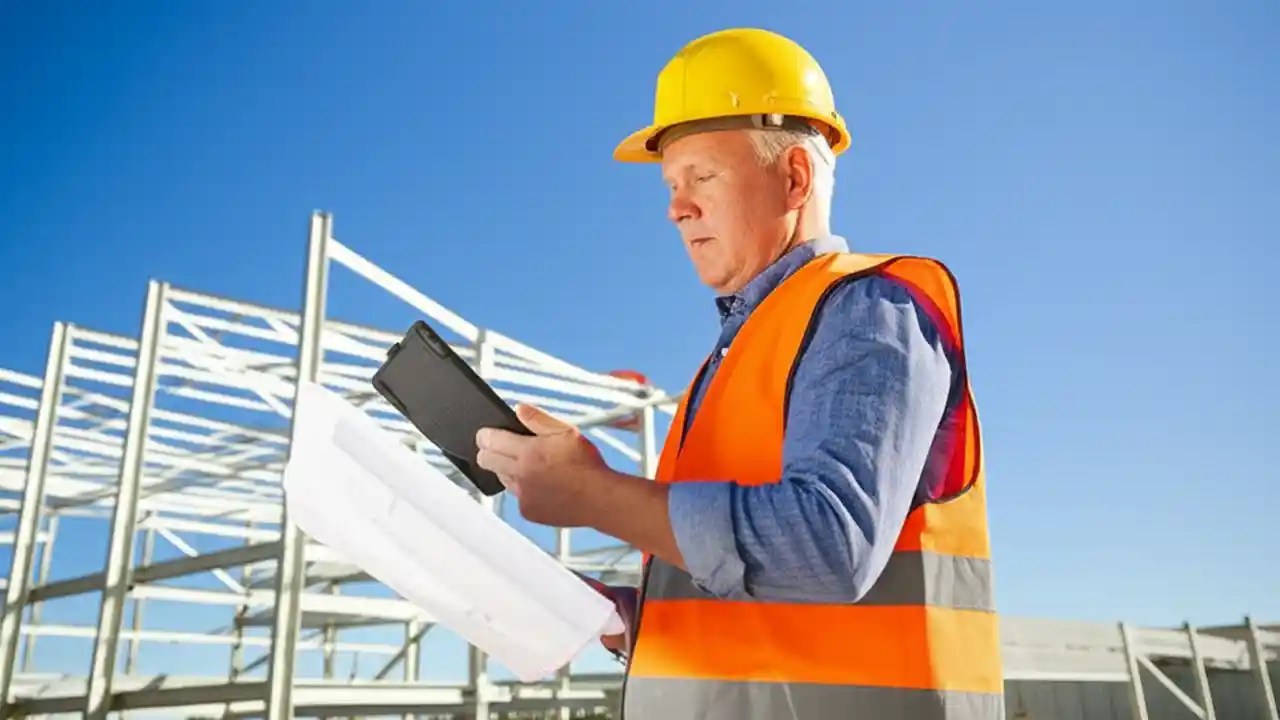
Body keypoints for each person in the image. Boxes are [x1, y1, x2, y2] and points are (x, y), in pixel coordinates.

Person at [475, 27, 1003, 720]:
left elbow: (829, 544)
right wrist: (634, 618)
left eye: (701, 177)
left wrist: (592, 495)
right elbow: (759, 605)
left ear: (795, 177)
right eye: (671, 186)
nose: (676, 208)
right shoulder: (733, 356)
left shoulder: (869, 305)